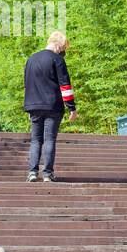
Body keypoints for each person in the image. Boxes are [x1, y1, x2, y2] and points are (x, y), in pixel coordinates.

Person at [23, 31, 77, 183]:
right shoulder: (57, 59)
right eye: (63, 47)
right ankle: (47, 174)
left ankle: (32, 173)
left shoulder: (31, 59)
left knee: (35, 140)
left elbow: (27, 84)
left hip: (33, 105)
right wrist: (72, 108)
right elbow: (65, 86)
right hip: (53, 105)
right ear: (58, 45)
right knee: (49, 139)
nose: (63, 51)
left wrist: (29, 106)